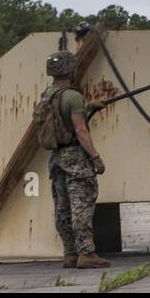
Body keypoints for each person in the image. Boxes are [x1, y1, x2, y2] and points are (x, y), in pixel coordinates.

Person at [44, 49, 110, 268]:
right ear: (69, 69)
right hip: (76, 160)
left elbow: (62, 122)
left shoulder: (48, 94)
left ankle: (70, 253)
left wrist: (88, 108)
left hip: (56, 160)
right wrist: (96, 157)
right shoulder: (73, 96)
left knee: (61, 208)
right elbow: (80, 132)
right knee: (80, 206)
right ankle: (87, 253)